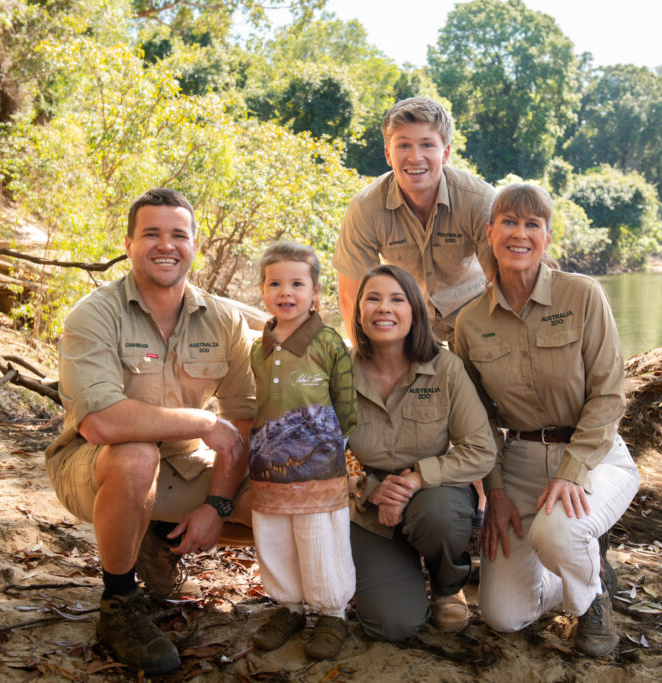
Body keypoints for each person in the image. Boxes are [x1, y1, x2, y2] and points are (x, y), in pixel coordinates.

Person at [45, 188, 256, 676]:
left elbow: (243, 419)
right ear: (128, 244)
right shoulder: (94, 313)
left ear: (194, 245)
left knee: (280, 504)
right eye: (151, 234)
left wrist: (218, 505)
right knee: (136, 454)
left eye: (178, 234)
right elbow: (102, 422)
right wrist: (203, 421)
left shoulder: (225, 320)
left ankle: (156, 535)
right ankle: (119, 605)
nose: (166, 245)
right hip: (94, 465)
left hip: (183, 465)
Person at [453, 183, 640, 657]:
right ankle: (585, 571)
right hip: (519, 461)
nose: (520, 234)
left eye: (532, 224)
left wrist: (572, 472)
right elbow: (478, 422)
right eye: (509, 223)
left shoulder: (582, 294)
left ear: (547, 237)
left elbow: (609, 395)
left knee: (556, 532)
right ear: (490, 233)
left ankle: (591, 602)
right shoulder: (470, 322)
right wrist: (495, 491)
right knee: (503, 616)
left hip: (594, 456)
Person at [346, 264, 496, 641]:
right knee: (393, 624)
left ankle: (447, 585)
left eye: (397, 299)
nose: (384, 308)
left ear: (414, 312)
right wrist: (369, 489)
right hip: (367, 505)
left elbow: (480, 450)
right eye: (373, 299)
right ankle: (401, 572)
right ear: (359, 312)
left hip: (433, 495)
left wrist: (417, 479)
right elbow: (323, 449)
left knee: (437, 515)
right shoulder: (339, 372)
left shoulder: (446, 369)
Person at [247, 242, 358, 659]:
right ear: (262, 290)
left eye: (297, 283)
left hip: (318, 468)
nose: (285, 292)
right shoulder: (259, 348)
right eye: (274, 283)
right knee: (275, 536)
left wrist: (329, 449)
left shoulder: (328, 343)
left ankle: (332, 613)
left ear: (315, 292)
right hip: (268, 468)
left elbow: (347, 407)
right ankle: (289, 607)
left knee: (319, 536)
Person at [333, 96, 496, 344]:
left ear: (445, 153)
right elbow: (352, 296)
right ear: (388, 154)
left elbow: (504, 282)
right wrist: (367, 358)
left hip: (474, 314)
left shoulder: (480, 200)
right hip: (409, 319)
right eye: (403, 145)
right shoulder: (366, 208)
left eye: (427, 145)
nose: (415, 157)